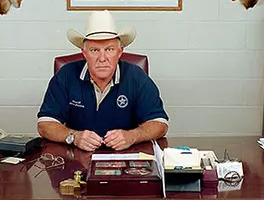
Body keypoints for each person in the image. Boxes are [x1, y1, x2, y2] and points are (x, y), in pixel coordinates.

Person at [37, 10, 169, 152]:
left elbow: (159, 124)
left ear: (120, 52)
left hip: (125, 157)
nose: (102, 58)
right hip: (77, 157)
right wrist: (74, 136)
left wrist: (132, 135)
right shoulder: (65, 75)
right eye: (94, 50)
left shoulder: (137, 76)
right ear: (84, 53)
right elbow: (45, 124)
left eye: (109, 49)